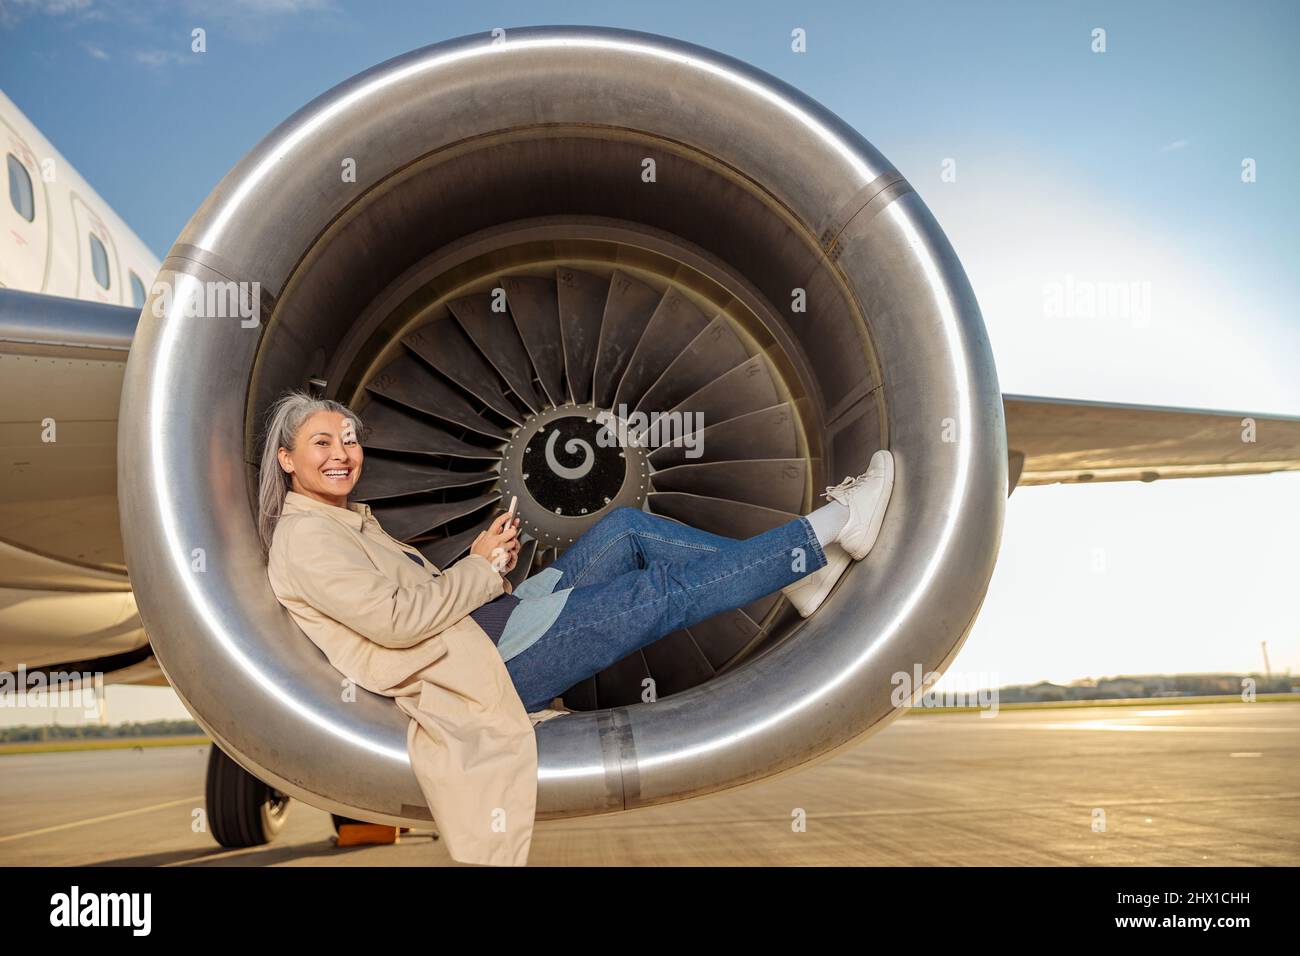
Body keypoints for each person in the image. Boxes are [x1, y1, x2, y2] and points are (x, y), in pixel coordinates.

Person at [259, 388, 893, 865]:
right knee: (652, 595)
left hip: (488, 626)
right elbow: (398, 623)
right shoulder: (308, 540)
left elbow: (412, 599)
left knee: (625, 530)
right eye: (323, 443)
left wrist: (484, 559)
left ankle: (795, 575)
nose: (343, 454)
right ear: (287, 459)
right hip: (486, 664)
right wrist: (479, 571)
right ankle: (832, 528)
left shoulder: (343, 522)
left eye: (348, 440)